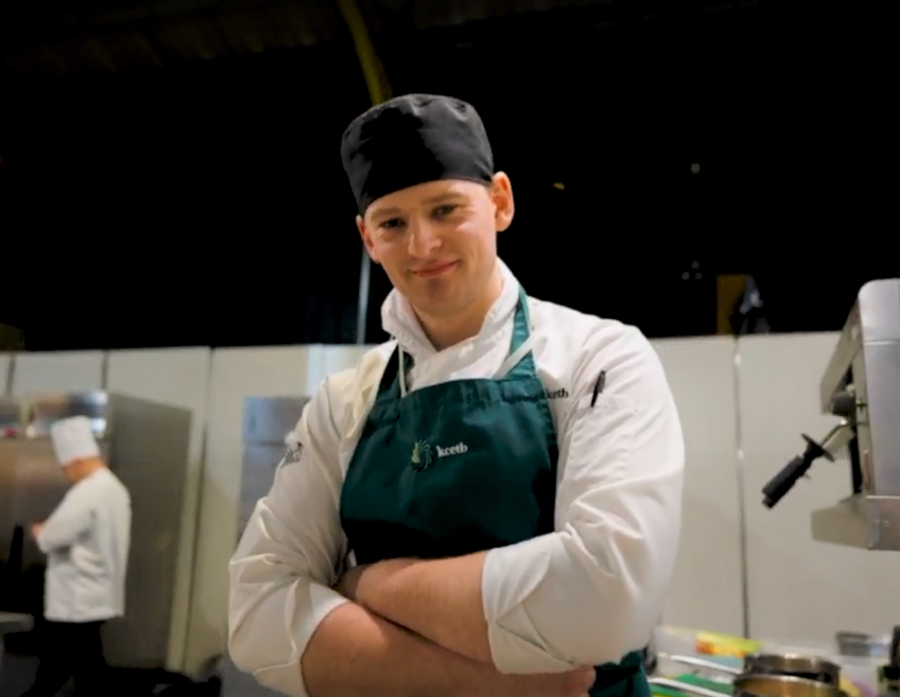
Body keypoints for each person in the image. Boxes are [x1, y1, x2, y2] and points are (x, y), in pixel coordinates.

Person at [229, 93, 685, 697]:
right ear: (368, 238)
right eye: (393, 223)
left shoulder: (600, 357)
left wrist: (370, 585)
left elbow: (609, 595)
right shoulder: (345, 401)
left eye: (445, 210)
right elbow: (256, 613)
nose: (422, 245)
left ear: (500, 202)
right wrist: (508, 686)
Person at [24, 415, 132, 697]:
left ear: (76, 461)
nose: (65, 473)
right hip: (95, 593)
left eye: (65, 468)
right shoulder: (114, 489)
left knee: (69, 667)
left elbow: (53, 536)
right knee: (80, 666)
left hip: (77, 596)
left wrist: (39, 530)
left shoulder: (88, 492)